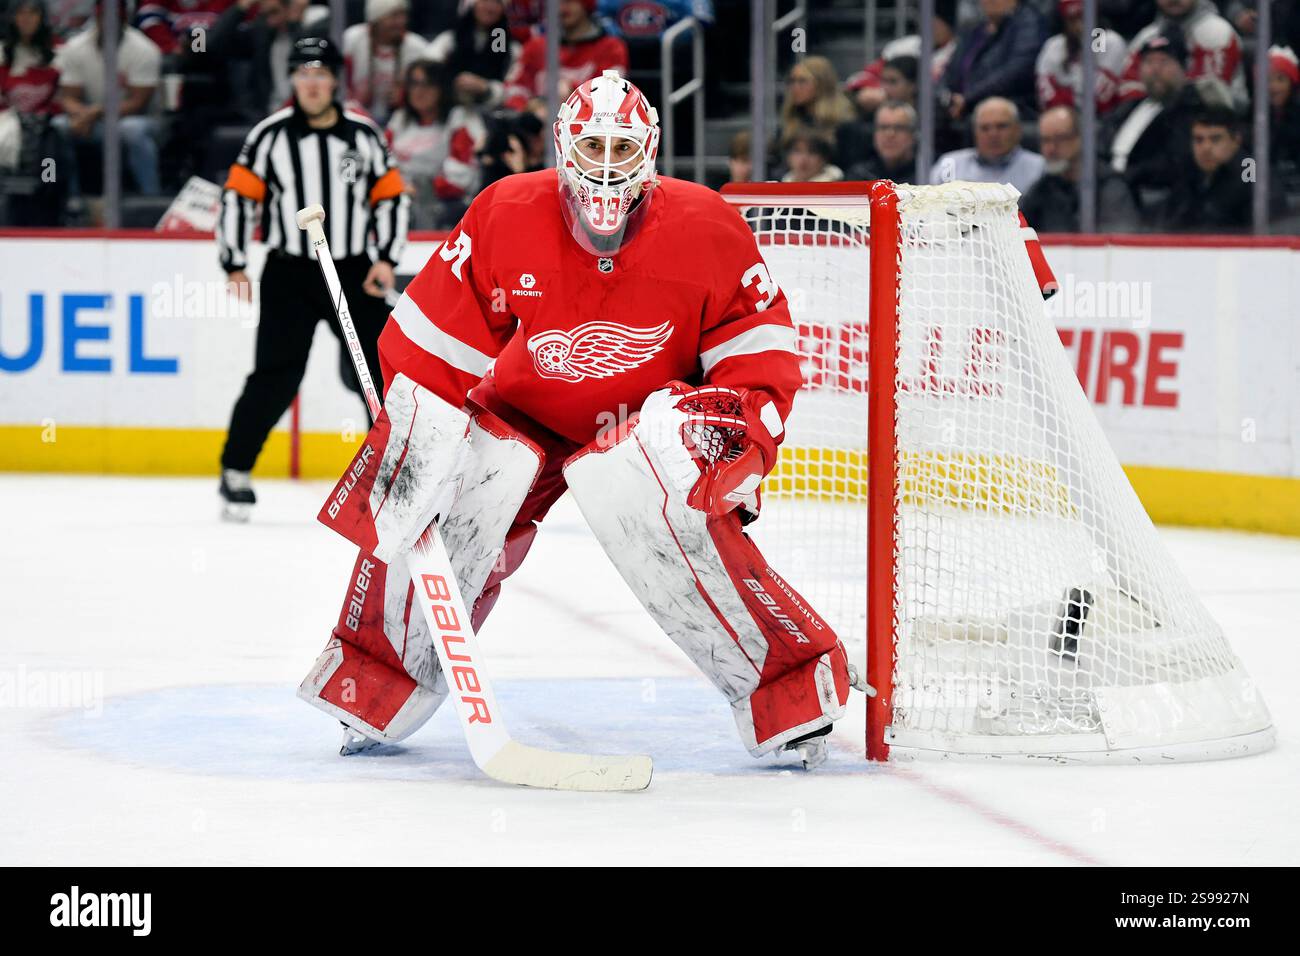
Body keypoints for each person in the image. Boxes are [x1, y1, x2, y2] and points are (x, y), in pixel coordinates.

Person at [298, 70, 859, 770]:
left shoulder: (708, 225)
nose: (604, 165)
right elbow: (431, 345)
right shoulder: (507, 210)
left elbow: (758, 356)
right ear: (563, 147)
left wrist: (731, 441)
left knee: (671, 509)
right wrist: (419, 444)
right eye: (591, 146)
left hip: (645, 427)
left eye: (621, 150)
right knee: (443, 498)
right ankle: (373, 683)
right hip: (521, 416)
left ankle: (791, 694)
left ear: (650, 155)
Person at [216, 36, 410, 519]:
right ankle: (235, 469)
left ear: (334, 81)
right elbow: (239, 198)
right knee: (276, 375)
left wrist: (386, 258)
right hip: (290, 272)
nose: (312, 83)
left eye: (321, 73)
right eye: (304, 73)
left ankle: (390, 475)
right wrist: (234, 261)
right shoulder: (270, 136)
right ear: (293, 80)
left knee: (380, 373)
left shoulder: (363, 136)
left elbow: (390, 196)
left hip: (353, 270)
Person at [51, 0, 163, 199]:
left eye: (115, 18)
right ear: (97, 18)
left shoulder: (145, 49)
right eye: (104, 17)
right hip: (93, 122)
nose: (109, 22)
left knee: (132, 130)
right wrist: (82, 114)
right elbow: (68, 97)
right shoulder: (76, 47)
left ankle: (151, 199)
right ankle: (70, 200)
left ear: (124, 19)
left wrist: (95, 112)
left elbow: (138, 103)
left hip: (136, 120)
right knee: (58, 126)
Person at [1103, 27, 1218, 215]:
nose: (1155, 70)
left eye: (1164, 62)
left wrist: (1124, 176)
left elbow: (1174, 162)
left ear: (1183, 68)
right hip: (1113, 188)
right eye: (1148, 62)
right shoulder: (1131, 107)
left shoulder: (1192, 108)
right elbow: (1101, 141)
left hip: (1155, 199)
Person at [386, 59, 485, 228]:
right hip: (400, 200)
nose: (419, 91)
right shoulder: (400, 119)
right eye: (414, 84)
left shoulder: (459, 118)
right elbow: (382, 162)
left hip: (447, 207)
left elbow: (462, 178)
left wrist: (421, 188)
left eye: (427, 84)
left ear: (442, 88)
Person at [1019, 106, 1139, 232]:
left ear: (1081, 138)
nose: (1051, 149)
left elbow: (1119, 241)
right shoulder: (1043, 188)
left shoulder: (1110, 186)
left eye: (1060, 139)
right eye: (1045, 140)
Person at [1159, 107, 1279, 232]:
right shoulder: (1189, 174)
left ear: (1236, 140)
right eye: (1198, 140)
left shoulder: (1252, 176)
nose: (1206, 148)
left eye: (1215, 139)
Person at [207, 0, 330, 118]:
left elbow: (305, 56)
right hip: (269, 116)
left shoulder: (317, 27)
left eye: (274, 12)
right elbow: (209, 45)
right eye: (265, 14)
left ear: (291, 8)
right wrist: (240, 7)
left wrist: (295, 22)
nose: (270, 21)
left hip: (308, 115)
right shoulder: (262, 34)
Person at [503, 0, 627, 110]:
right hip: (534, 129)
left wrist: (572, 90)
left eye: (570, 1)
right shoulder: (535, 46)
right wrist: (526, 109)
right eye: (557, 2)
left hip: (587, 129)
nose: (562, 8)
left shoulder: (611, 48)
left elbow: (610, 94)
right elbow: (514, 88)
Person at [1119, 0, 1245, 107]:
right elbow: (1127, 91)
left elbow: (1209, 94)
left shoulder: (1216, 31)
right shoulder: (1147, 36)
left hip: (1216, 121)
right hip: (1156, 118)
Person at [846, 0, 957, 117]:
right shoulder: (901, 47)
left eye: (935, 21)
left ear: (948, 24)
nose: (928, 25)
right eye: (924, 19)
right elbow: (862, 78)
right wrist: (864, 91)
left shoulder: (958, 53)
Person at [941, 0, 1047, 122]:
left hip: (1011, 109)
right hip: (965, 109)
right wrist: (947, 98)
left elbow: (1018, 71)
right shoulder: (975, 31)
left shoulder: (1029, 22)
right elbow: (950, 71)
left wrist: (969, 98)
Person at [932, 95, 1045, 195]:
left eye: (1001, 126)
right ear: (975, 132)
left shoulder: (1040, 169)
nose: (993, 134)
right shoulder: (949, 165)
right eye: (985, 128)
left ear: (1018, 130)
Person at [340, 0, 430, 125]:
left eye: (403, 15)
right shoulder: (352, 39)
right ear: (376, 19)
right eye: (393, 16)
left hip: (398, 121)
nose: (400, 22)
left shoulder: (417, 48)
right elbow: (339, 80)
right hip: (353, 115)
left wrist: (405, 96)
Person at [777, 55, 867, 173]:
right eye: (792, 81)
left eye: (802, 81)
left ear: (822, 84)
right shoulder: (789, 125)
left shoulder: (845, 126)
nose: (794, 87)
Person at [426, 0, 520, 113]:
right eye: (484, 1)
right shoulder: (449, 40)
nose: (489, 8)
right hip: (449, 111)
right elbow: (427, 71)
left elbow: (515, 91)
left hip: (493, 114)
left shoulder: (511, 48)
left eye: (496, 2)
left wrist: (486, 87)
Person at [1035, 0, 1127, 116]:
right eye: (1073, 20)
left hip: (1101, 120)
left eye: (1084, 18)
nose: (1080, 26)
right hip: (1062, 118)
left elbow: (1101, 101)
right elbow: (1046, 96)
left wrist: (1065, 94)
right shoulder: (1054, 45)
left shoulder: (1107, 41)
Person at [849, 100, 918, 182]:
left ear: (913, 135)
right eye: (883, 127)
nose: (890, 134)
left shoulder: (929, 175)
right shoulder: (859, 176)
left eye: (899, 127)